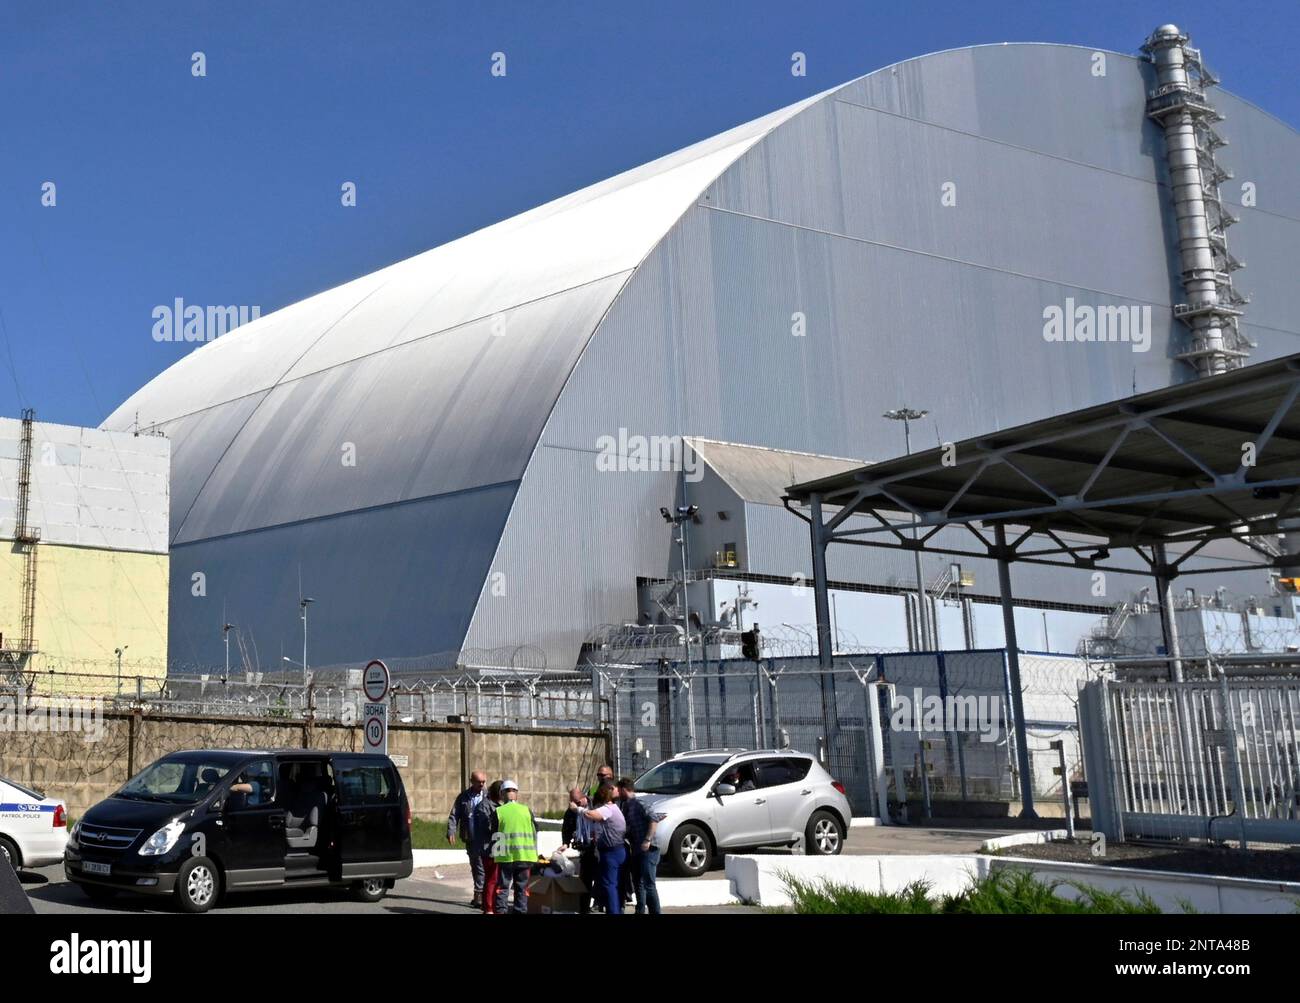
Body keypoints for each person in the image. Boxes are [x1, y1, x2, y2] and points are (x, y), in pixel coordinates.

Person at [573, 783, 627, 914]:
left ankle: (613, 911)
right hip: (619, 850)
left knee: (610, 886)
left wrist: (577, 809)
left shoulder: (607, 809)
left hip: (611, 853)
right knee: (614, 884)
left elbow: (591, 815)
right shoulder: (615, 808)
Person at [489, 779, 537, 914]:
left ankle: (501, 911)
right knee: (521, 888)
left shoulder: (498, 812)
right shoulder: (527, 810)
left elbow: (494, 834)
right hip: (525, 856)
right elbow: (535, 831)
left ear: (502, 794)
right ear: (516, 794)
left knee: (503, 888)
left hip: (505, 857)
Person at [447, 770, 490, 908]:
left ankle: (481, 895)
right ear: (471, 781)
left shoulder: (489, 796)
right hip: (471, 837)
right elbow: (454, 815)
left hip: (487, 838)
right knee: (476, 866)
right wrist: (451, 830)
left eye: (483, 782)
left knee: (482, 867)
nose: (482, 785)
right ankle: (480, 894)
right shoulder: (464, 797)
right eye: (479, 782)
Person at [618, 777, 660, 915]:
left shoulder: (639, 803)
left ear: (624, 789)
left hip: (648, 849)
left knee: (648, 883)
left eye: (619, 790)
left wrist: (647, 840)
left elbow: (654, 819)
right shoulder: (625, 806)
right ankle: (640, 910)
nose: (618, 793)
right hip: (636, 850)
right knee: (638, 883)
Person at [560, 786, 597, 913]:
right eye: (572, 801)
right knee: (585, 880)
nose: (573, 805)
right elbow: (567, 827)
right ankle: (584, 908)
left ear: (583, 799)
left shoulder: (594, 805)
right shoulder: (571, 811)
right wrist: (565, 843)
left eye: (576, 802)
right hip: (585, 849)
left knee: (603, 880)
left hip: (598, 848)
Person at [477, 781, 504, 913]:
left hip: (499, 848)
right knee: (491, 879)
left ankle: (493, 906)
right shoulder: (485, 806)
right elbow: (487, 827)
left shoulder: (501, 805)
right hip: (489, 850)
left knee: (497, 880)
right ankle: (488, 908)